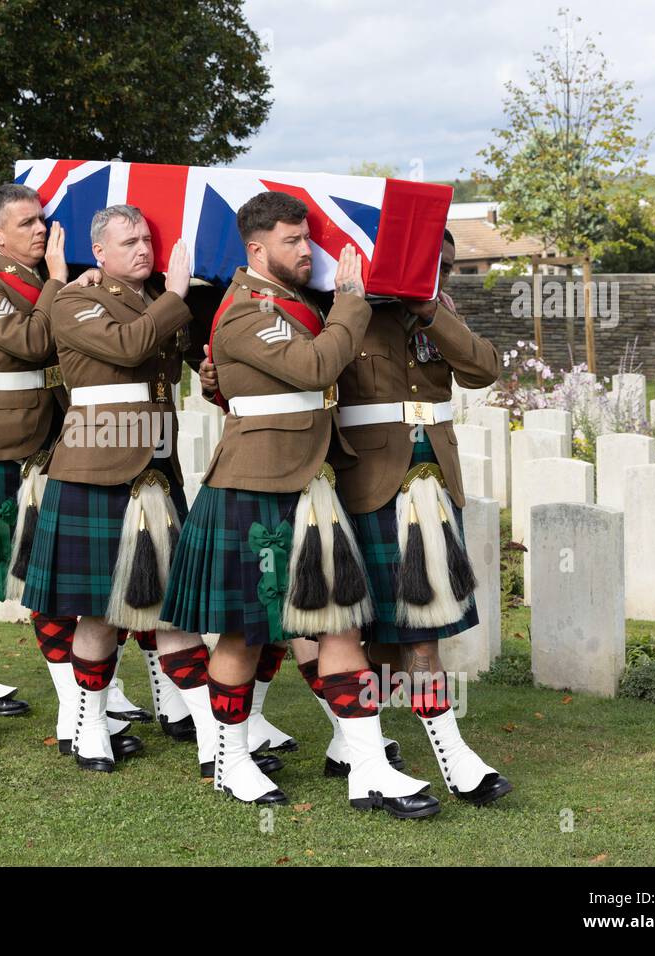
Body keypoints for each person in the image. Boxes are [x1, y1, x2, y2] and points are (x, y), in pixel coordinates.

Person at [163, 191, 439, 816]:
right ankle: (231, 762)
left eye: (306, 237)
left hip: (311, 487)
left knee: (338, 623)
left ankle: (367, 768)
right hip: (254, 490)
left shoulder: (293, 305)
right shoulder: (245, 312)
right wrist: (351, 303)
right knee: (244, 635)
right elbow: (315, 367)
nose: (307, 250)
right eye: (293, 241)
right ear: (256, 248)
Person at [0, 182, 140, 755]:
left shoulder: (51, 281)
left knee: (52, 585)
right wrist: (60, 283)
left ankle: (76, 711)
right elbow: (33, 339)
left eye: (42, 220)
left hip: (49, 444)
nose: (41, 230)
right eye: (27, 224)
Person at [21, 204, 225, 775]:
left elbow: (192, 354)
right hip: (95, 468)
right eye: (129, 241)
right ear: (101, 253)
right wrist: (177, 295)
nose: (143, 248)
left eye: (147, 239)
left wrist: (208, 354)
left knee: (175, 612)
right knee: (97, 615)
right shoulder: (73, 300)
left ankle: (215, 739)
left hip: (157, 468)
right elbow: (132, 346)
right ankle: (88, 731)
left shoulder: (162, 300)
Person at [334, 227, 512, 807]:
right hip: (368, 484)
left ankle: (452, 758)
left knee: (421, 634)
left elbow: (484, 369)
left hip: (433, 484)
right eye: (433, 263)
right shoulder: (349, 307)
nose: (443, 272)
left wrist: (433, 310)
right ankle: (360, 750)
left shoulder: (439, 311)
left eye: (450, 266)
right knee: (362, 635)